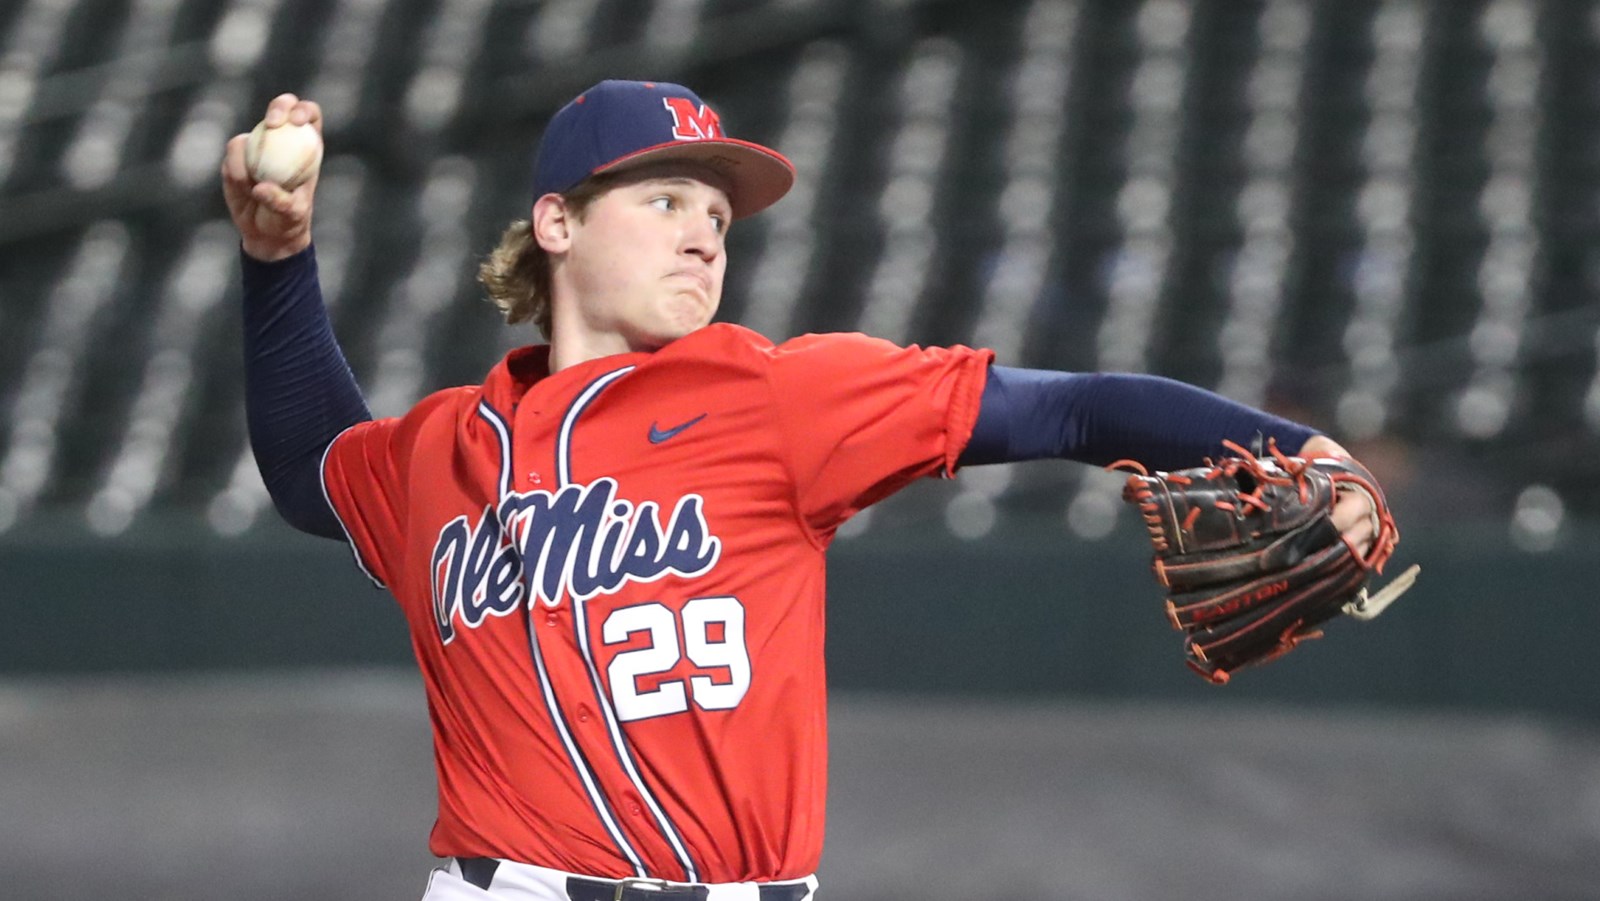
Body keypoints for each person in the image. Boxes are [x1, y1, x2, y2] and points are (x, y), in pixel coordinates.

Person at [220, 80, 1379, 901]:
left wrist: (1300, 449)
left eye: (717, 217)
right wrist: (277, 261)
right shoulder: (440, 448)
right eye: (665, 201)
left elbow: (1074, 408)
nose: (703, 238)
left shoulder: (776, 396)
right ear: (557, 222)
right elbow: (314, 471)